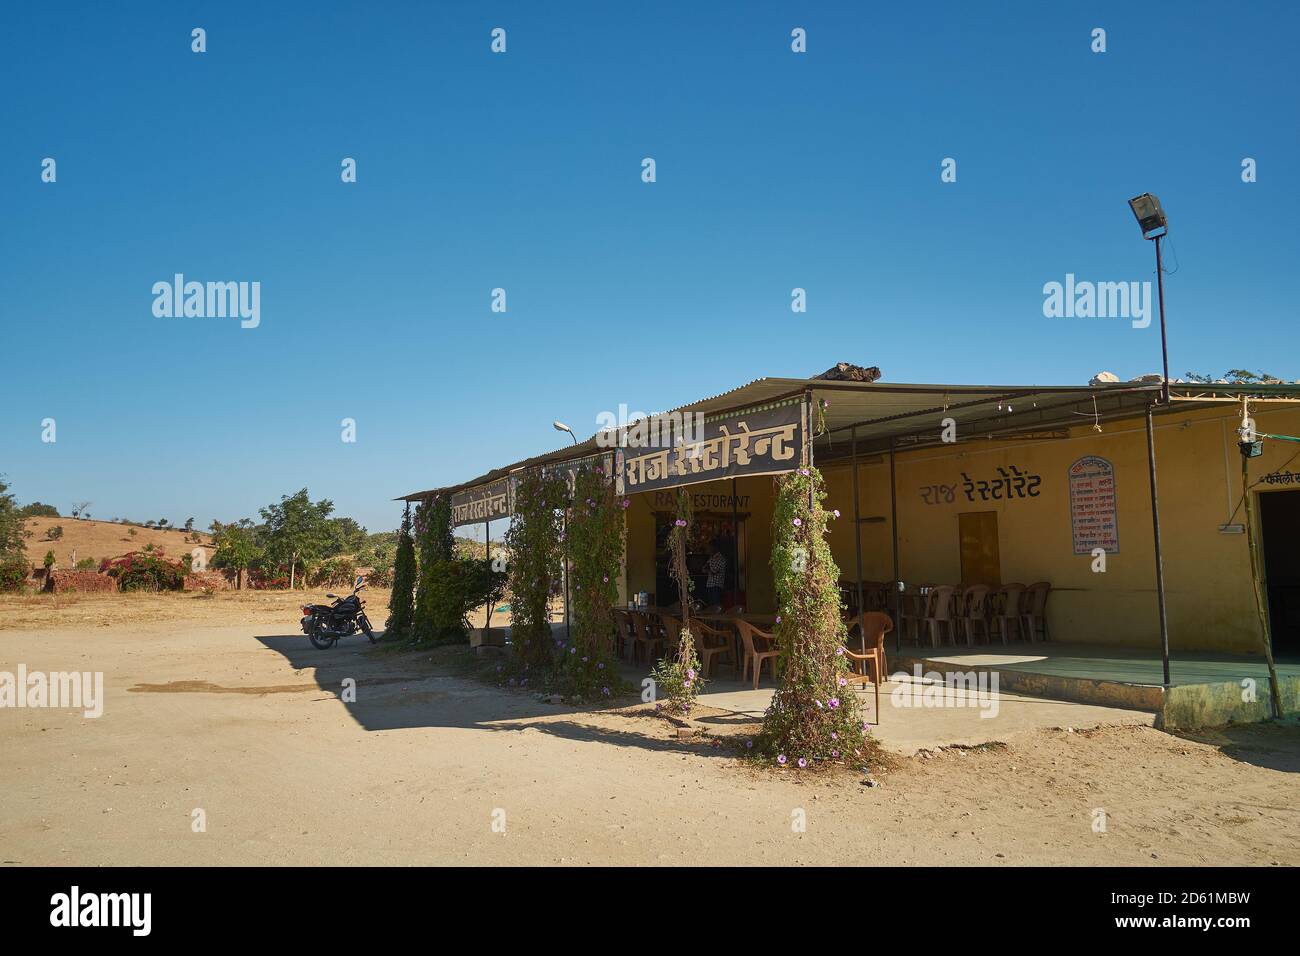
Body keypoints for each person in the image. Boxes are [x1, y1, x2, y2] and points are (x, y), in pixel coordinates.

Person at [704, 539, 727, 609]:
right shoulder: (711, 558)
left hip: (716, 586)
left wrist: (708, 568)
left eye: (709, 547)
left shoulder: (721, 559)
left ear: (714, 547)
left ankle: (716, 620)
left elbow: (714, 572)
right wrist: (708, 569)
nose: (708, 549)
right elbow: (703, 569)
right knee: (711, 607)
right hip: (710, 585)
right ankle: (712, 620)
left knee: (716, 607)